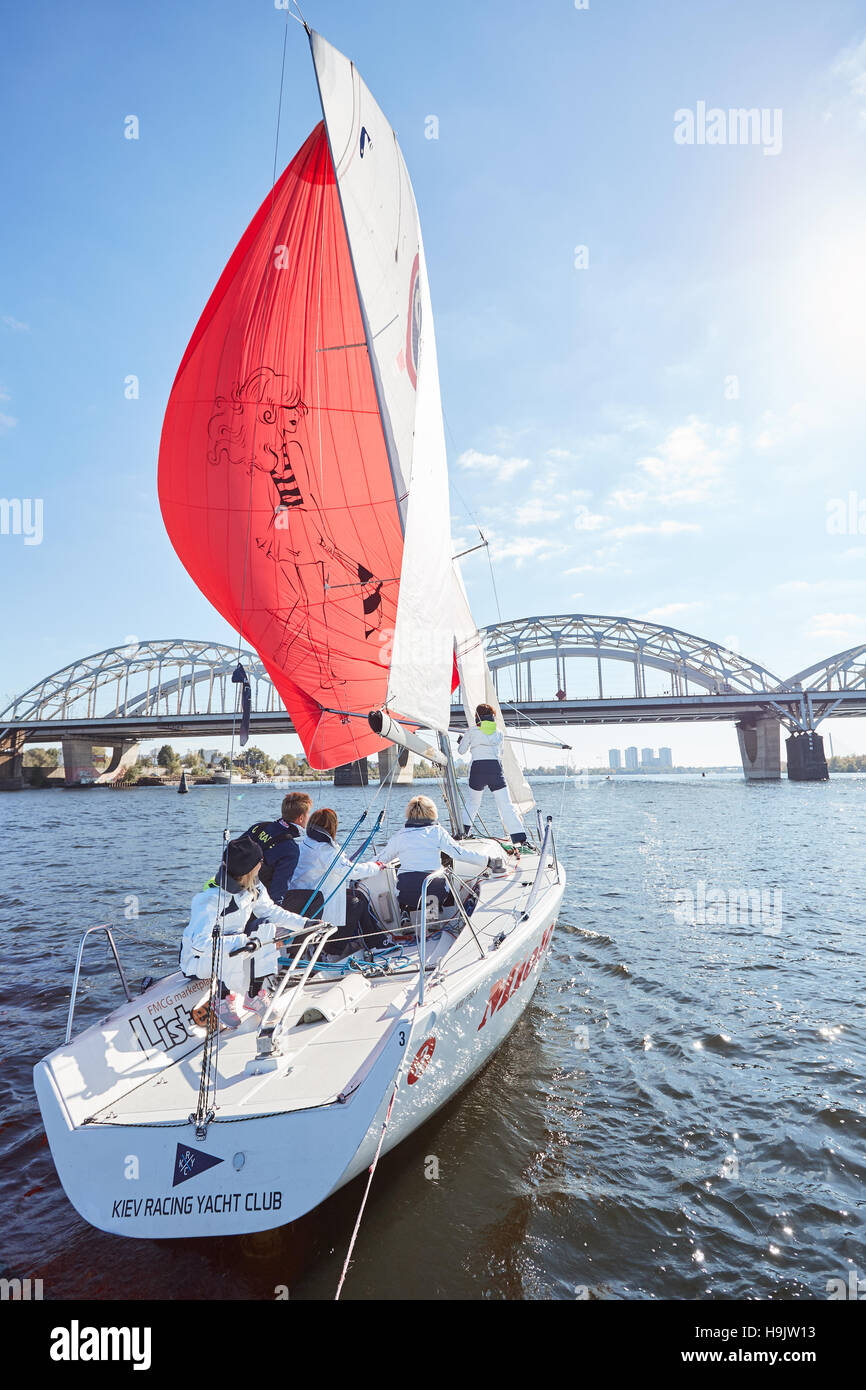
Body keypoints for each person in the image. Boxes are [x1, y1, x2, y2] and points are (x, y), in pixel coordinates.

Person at [180, 836, 311, 1029]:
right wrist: (241, 942)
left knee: (265, 926)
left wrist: (305, 924)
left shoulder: (253, 887)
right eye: (260, 861)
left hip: (234, 951)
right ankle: (221, 998)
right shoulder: (208, 901)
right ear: (248, 868)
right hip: (196, 961)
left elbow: (271, 911)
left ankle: (253, 994)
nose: (262, 863)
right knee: (237, 941)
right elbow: (199, 944)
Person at [290, 807, 383, 959]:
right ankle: (333, 950)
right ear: (331, 827)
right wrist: (376, 867)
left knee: (358, 895)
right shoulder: (325, 850)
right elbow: (351, 872)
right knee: (355, 903)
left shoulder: (306, 843)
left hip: (306, 898)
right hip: (318, 903)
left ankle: (375, 941)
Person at [380, 795, 490, 912]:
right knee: (442, 874)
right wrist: (488, 860)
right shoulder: (437, 832)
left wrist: (359, 872)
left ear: (409, 813)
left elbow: (381, 859)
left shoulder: (399, 836)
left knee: (402, 881)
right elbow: (459, 853)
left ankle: (405, 912)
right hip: (434, 892)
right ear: (432, 812)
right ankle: (433, 915)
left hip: (407, 895)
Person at [457, 703, 527, 844]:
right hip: (494, 769)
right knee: (506, 805)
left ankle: (463, 834)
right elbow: (500, 753)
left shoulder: (471, 731)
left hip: (477, 770)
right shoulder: (499, 732)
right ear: (492, 717)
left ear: (477, 716)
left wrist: (462, 740)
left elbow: (461, 751)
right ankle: (520, 839)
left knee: (473, 803)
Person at [243, 791, 312, 906]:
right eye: (308, 814)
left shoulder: (259, 827)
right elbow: (278, 891)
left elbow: (234, 852)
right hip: (257, 902)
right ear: (301, 818)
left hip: (234, 889)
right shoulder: (290, 850)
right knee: (316, 898)